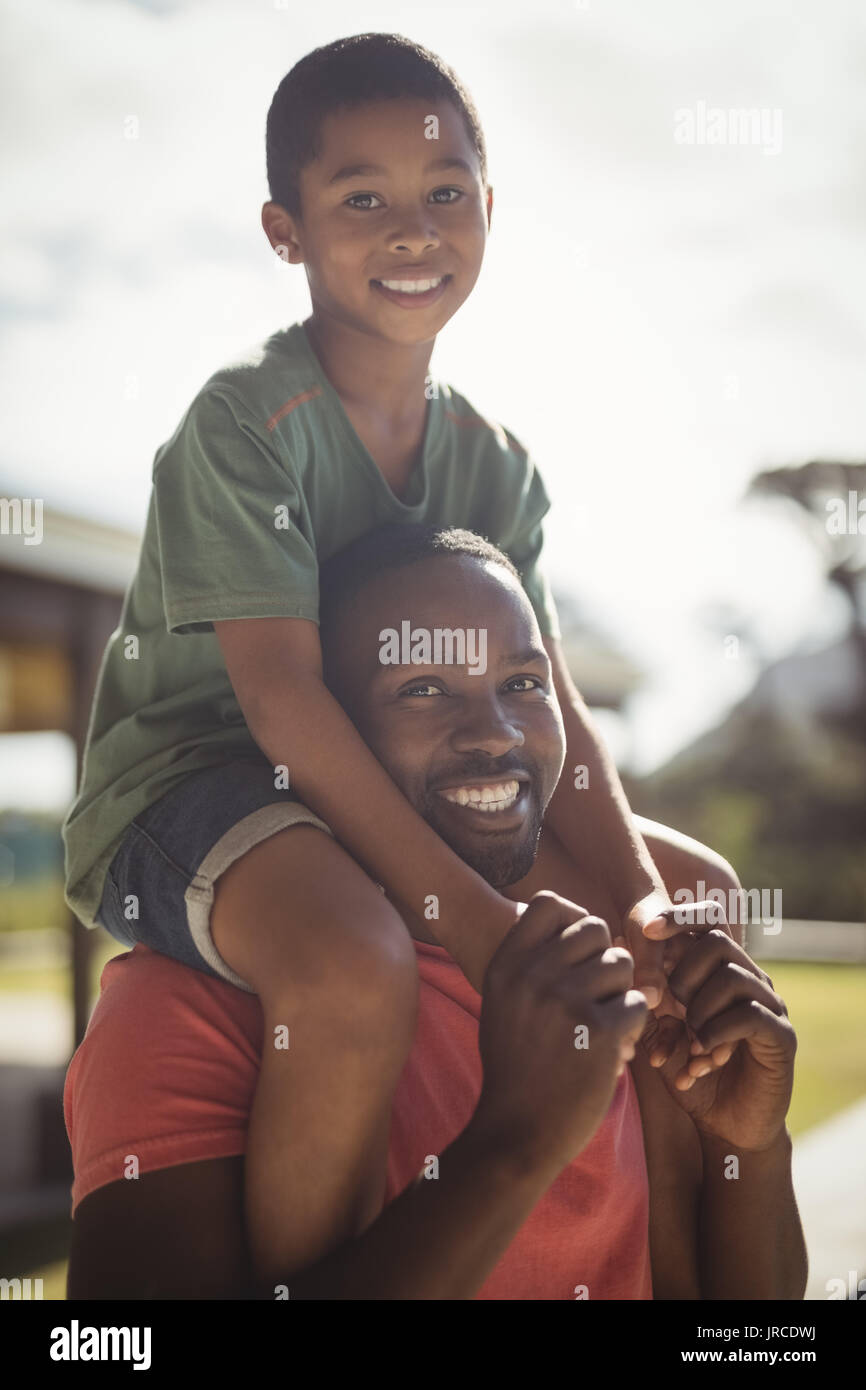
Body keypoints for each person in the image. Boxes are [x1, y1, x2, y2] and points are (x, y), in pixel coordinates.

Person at [62, 34, 730, 1288]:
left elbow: (554, 702)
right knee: (356, 956)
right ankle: (316, 1274)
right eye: (359, 198)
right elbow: (280, 702)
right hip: (199, 790)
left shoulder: (495, 460)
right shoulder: (245, 424)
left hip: (368, 762)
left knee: (696, 898)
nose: (410, 228)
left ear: (488, 209)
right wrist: (474, 927)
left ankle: (689, 1246)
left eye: (442, 193)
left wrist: (636, 892)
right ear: (284, 230)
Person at [65, 525, 805, 1300]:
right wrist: (514, 1143)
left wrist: (749, 1150)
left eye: (523, 683)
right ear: (328, 739)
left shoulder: (617, 974)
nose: (496, 734)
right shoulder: (188, 1006)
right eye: (422, 688)